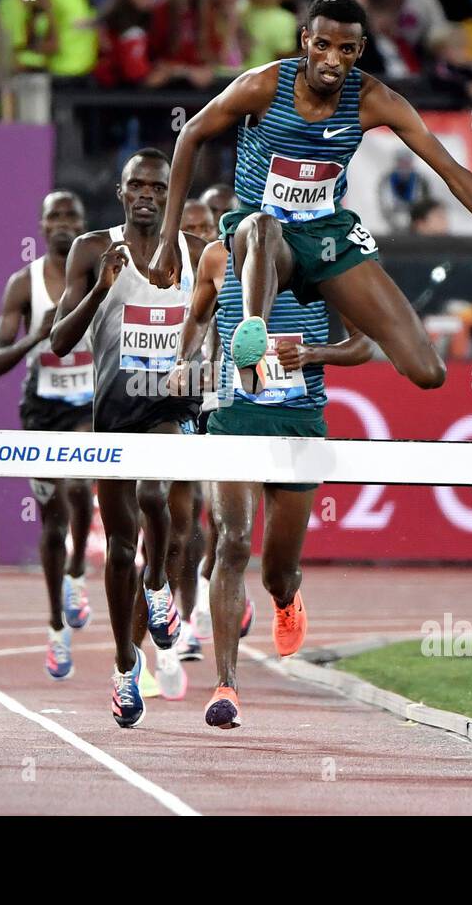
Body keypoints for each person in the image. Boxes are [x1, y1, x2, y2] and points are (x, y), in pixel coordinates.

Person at [149, 0, 472, 400]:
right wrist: (167, 239)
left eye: (345, 49)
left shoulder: (375, 100)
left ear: (359, 50)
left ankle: (260, 337)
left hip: (327, 236)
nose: (331, 60)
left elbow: (453, 173)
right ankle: (251, 341)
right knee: (262, 225)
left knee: (428, 371)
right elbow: (191, 134)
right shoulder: (263, 86)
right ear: (306, 40)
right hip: (263, 238)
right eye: (323, 46)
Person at [169, 240, 374, 727]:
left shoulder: (326, 259)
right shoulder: (219, 257)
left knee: (278, 570)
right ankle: (226, 686)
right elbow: (199, 315)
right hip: (233, 418)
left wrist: (312, 352)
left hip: (298, 424)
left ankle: (285, 599)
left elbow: (365, 343)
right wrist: (184, 357)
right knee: (232, 544)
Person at [49, 149, 208, 726]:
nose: (146, 194)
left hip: (170, 409)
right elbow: (61, 342)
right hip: (113, 416)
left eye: (156, 187)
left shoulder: (197, 255)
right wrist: (99, 291)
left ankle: (160, 582)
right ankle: (123, 667)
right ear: (121, 192)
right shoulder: (94, 250)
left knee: (155, 494)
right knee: (118, 549)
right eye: (135, 185)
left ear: (170, 196)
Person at [0, 191, 96, 682]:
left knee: (78, 485)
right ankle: (56, 627)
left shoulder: (100, 277)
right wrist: (37, 336)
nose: (63, 224)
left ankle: (77, 570)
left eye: (71, 216)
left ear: (83, 224)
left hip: (90, 404)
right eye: (54, 216)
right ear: (41, 225)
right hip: (42, 409)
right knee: (52, 519)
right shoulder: (22, 284)